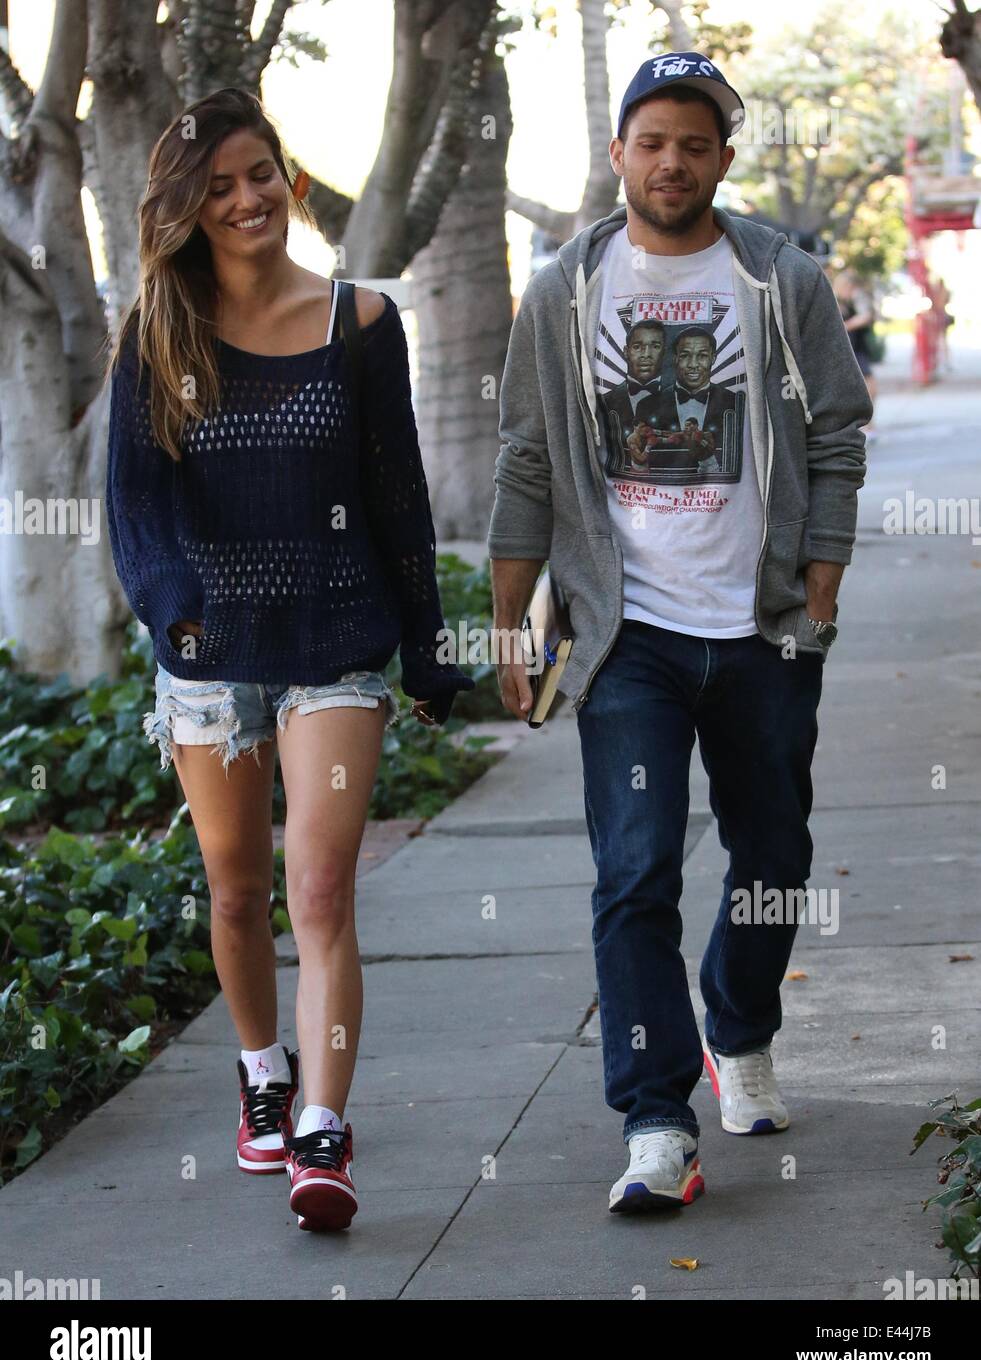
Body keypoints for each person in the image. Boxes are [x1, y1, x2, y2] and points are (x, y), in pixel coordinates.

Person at [487, 51, 871, 1214]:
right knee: (635, 870)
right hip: (627, 635)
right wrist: (509, 627)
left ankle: (738, 1024)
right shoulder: (562, 288)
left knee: (775, 857)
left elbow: (839, 433)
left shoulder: (778, 278)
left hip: (762, 626)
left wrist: (820, 585)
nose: (671, 161)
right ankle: (657, 1117)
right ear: (618, 154)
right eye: (651, 141)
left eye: (694, 144)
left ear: (723, 157)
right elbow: (526, 459)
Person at [104, 88, 473, 1233]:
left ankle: (323, 1127)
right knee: (237, 888)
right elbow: (134, 506)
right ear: (187, 209)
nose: (246, 197)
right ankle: (262, 1070)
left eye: (260, 171)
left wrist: (429, 643)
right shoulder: (156, 335)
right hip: (210, 653)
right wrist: (178, 616)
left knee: (318, 889)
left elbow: (397, 494)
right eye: (217, 185)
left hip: (336, 643)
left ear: (289, 177)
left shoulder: (359, 323)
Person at [833, 268, 877, 442]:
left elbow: (866, 316)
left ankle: (866, 424)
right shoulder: (835, 299)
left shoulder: (853, 297)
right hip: (848, 349)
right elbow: (865, 317)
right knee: (866, 387)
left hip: (856, 347)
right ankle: (862, 425)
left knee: (869, 387)